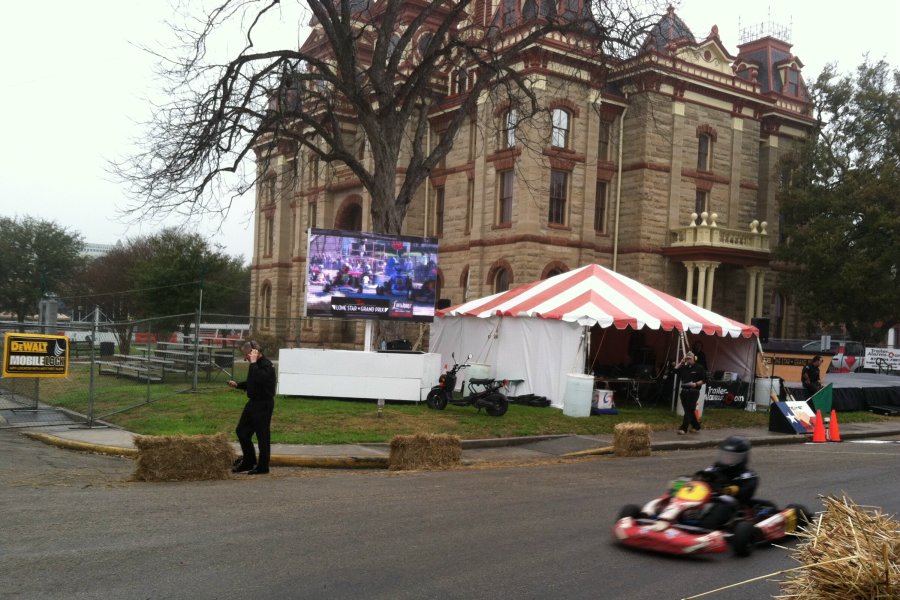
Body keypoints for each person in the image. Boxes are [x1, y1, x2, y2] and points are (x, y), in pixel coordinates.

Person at [227, 341, 277, 475]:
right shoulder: (254, 365)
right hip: (253, 403)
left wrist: (254, 362)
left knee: (262, 435)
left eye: (247, 356)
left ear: (254, 352)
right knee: (242, 432)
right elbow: (252, 382)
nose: (245, 358)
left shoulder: (266, 365)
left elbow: (261, 378)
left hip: (263, 404)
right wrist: (238, 385)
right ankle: (249, 461)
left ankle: (263, 467)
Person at [691, 436, 759, 529]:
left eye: (731, 456)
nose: (727, 458)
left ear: (741, 458)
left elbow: (746, 493)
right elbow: (700, 480)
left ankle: (704, 529)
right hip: (706, 498)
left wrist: (733, 490)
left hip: (728, 505)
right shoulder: (713, 469)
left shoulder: (747, 475)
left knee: (719, 509)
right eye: (725, 455)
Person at [675, 351, 706, 435]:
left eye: (690, 359)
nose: (688, 360)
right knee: (689, 411)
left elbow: (704, 380)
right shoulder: (684, 367)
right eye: (687, 359)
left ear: (694, 359)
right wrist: (681, 362)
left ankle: (683, 428)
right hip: (684, 392)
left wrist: (695, 384)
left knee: (689, 411)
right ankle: (696, 426)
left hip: (693, 392)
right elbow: (675, 370)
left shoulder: (699, 367)